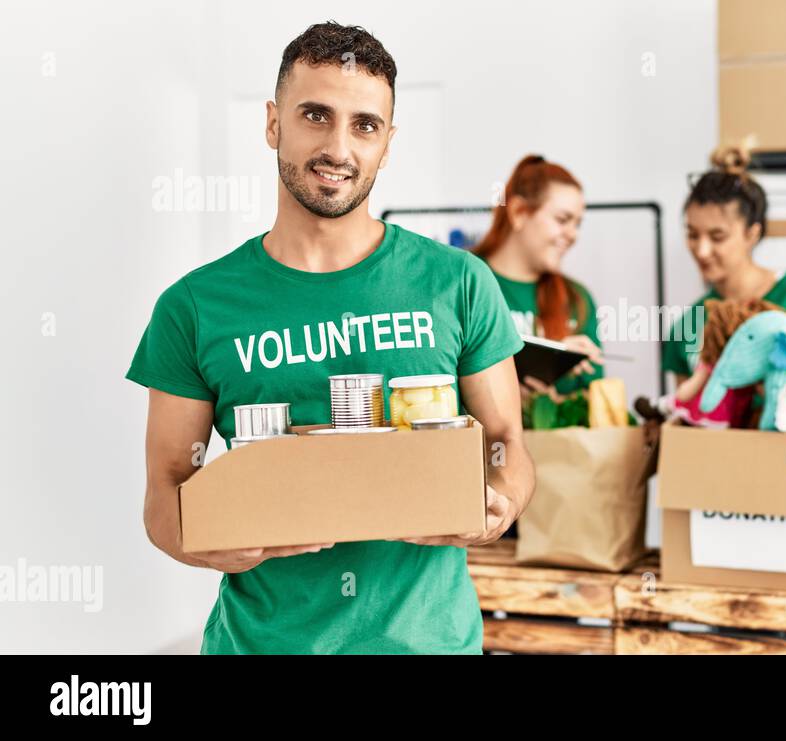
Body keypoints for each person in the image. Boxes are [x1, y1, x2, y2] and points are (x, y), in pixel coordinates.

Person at [126, 22, 533, 653]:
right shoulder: (195, 307)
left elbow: (507, 446)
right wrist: (210, 544)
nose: (338, 148)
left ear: (387, 144)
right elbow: (165, 497)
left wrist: (497, 507)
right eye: (316, 115)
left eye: (364, 125)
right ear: (272, 124)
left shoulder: (458, 282)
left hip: (428, 643)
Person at [662, 143, 786, 397]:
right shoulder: (689, 323)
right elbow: (685, 416)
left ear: (752, 234)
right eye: (693, 235)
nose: (702, 250)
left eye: (718, 237)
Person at [474, 155, 604, 398]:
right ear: (519, 212)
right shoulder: (466, 283)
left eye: (577, 224)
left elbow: (595, 405)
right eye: (563, 220)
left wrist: (555, 400)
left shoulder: (577, 300)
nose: (572, 234)